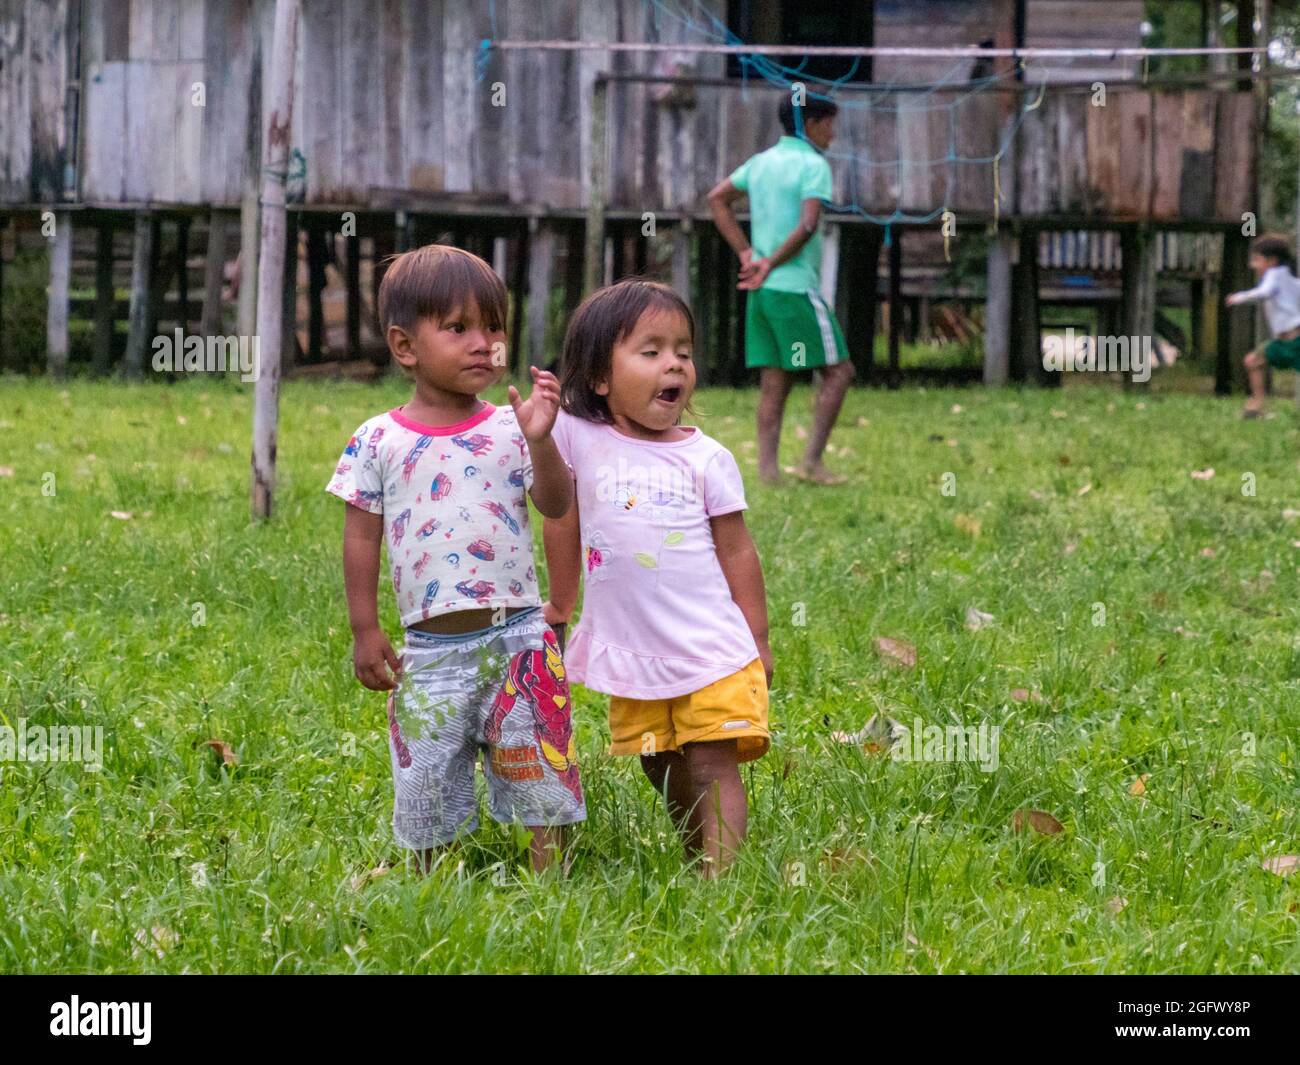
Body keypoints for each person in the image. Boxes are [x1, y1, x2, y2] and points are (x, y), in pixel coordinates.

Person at [326, 244, 584, 873]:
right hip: (431, 652)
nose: (483, 344)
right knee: (426, 784)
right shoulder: (378, 439)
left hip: (519, 639)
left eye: (493, 327)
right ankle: (430, 884)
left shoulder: (510, 427)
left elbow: (556, 504)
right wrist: (365, 628)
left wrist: (541, 441)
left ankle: (549, 884)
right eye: (458, 328)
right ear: (405, 346)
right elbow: (360, 537)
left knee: (536, 773)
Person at [542, 279, 773, 876]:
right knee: (657, 760)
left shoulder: (706, 458)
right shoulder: (577, 436)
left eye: (684, 352)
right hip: (634, 650)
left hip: (713, 647)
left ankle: (719, 881)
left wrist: (759, 638)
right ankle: (698, 850)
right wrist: (561, 604)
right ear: (599, 378)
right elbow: (557, 512)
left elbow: (738, 552)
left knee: (709, 758)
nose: (674, 363)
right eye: (651, 352)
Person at [708, 92, 853, 485]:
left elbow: (717, 199)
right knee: (839, 371)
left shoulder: (761, 163)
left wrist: (747, 253)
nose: (833, 134)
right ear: (810, 126)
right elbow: (807, 226)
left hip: (763, 291)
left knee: (775, 381)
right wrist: (770, 261)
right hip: (794, 288)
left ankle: (769, 472)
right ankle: (811, 462)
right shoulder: (813, 165)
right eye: (828, 124)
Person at [1226, 233, 1300, 418]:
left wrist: (1238, 297)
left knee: (1253, 361)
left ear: (1272, 261)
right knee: (1253, 361)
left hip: (1294, 342)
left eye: (1257, 260)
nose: (1253, 265)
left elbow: (1265, 292)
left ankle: (1257, 405)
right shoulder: (1290, 278)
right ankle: (1256, 407)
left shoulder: (1274, 275)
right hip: (1284, 342)